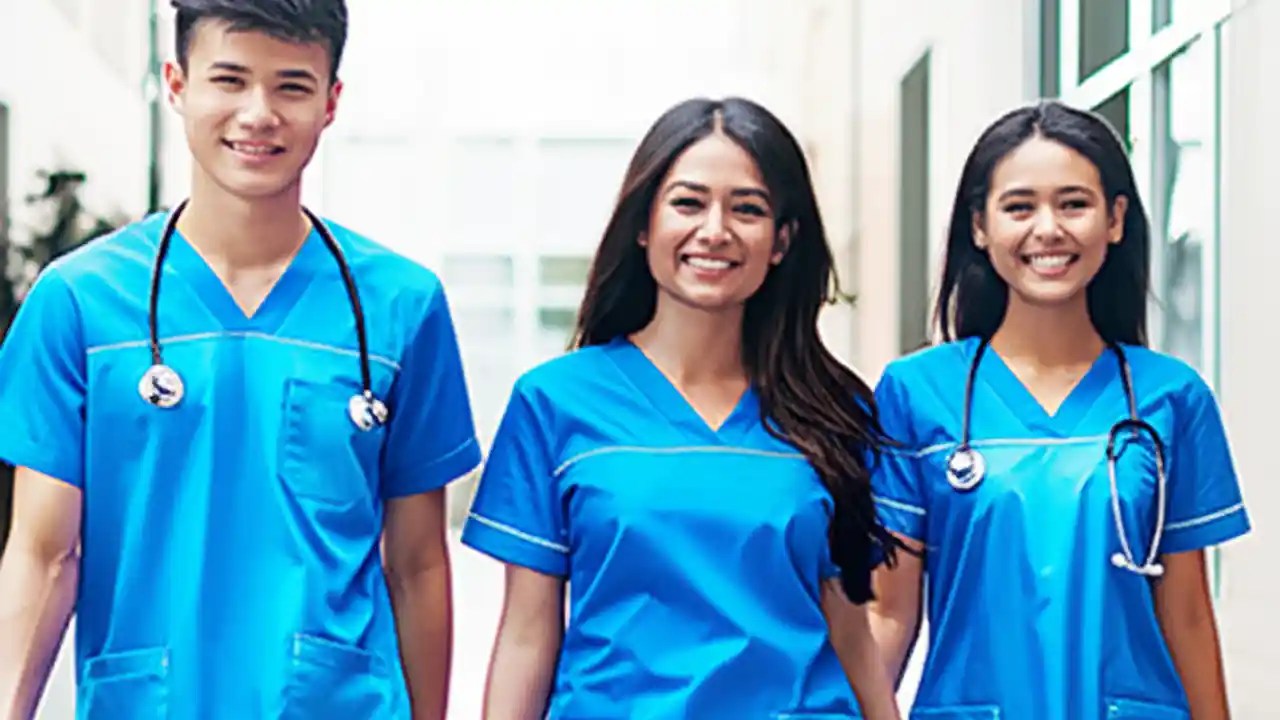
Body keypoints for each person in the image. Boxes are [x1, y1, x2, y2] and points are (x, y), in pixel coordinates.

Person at [0, 2, 480, 718]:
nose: (258, 113)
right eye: (229, 79)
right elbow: (43, 555)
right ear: (177, 83)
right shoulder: (79, 301)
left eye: (291, 86)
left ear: (331, 101)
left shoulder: (399, 306)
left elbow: (415, 565)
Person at [460, 96, 903, 719]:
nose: (715, 231)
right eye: (688, 203)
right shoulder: (555, 402)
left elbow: (848, 625)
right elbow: (527, 634)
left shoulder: (831, 409)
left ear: (782, 240)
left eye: (747, 209)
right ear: (644, 225)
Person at [867, 101, 1250, 719]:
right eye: (1019, 207)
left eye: (1074, 204)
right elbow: (889, 612)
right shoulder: (916, 393)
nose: (1048, 229)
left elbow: (1186, 615)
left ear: (1115, 219)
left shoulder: (1171, 398)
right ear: (980, 226)